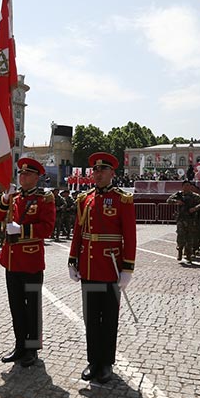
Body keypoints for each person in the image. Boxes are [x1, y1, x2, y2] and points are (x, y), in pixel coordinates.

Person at [68, 152, 136, 384]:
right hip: (88, 267)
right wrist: (72, 260)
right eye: (95, 170)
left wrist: (127, 268)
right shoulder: (84, 199)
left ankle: (106, 362)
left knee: (108, 318)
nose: (98, 174)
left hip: (110, 266)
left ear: (112, 173)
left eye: (103, 170)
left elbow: (130, 236)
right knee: (91, 317)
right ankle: (93, 361)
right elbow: (78, 231)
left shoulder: (122, 200)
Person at [0, 158, 56, 367]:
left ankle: (32, 349)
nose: (22, 176)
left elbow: (47, 228)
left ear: (37, 177)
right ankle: (20, 345)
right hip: (11, 260)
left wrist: (21, 230)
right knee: (17, 306)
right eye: (21, 173)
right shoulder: (14, 197)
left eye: (27, 174)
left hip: (31, 260)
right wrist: (5, 198)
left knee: (32, 307)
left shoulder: (44, 199)